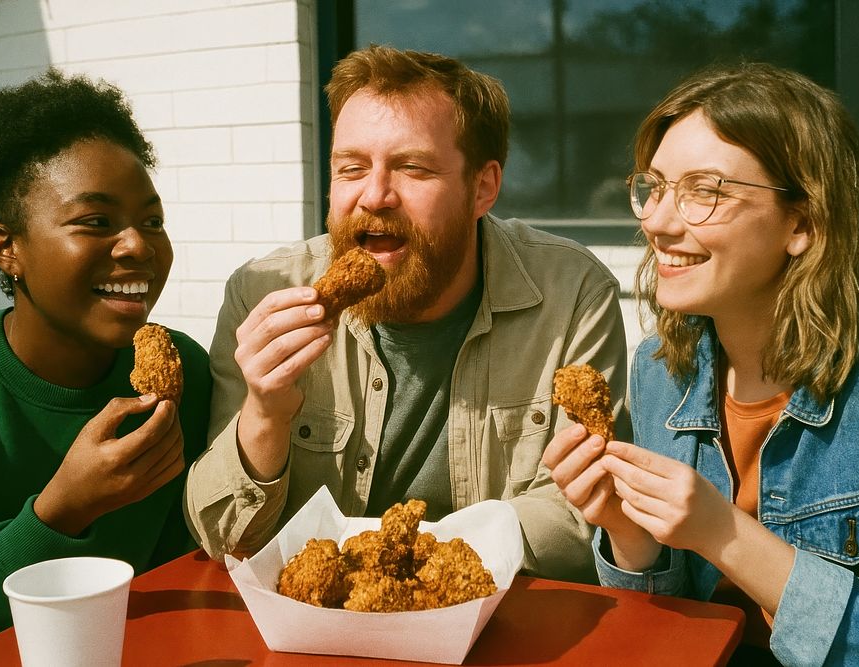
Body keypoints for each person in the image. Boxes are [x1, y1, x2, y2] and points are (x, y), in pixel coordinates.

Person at [184, 45, 629, 582]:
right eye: (351, 168)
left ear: (483, 186)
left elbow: (585, 513)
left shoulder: (572, 292)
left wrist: (407, 559)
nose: (374, 196)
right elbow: (221, 537)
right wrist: (264, 414)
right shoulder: (261, 292)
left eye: (412, 168)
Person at [543, 62, 859, 665]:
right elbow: (668, 625)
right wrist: (630, 538)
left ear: (801, 223)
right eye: (654, 187)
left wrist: (721, 533)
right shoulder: (660, 371)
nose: (655, 220)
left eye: (704, 191)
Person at [0, 70, 210, 663]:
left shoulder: (183, 370)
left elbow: (188, 583)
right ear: (5, 247)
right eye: (95, 221)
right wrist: (59, 512)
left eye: (152, 220)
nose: (138, 245)